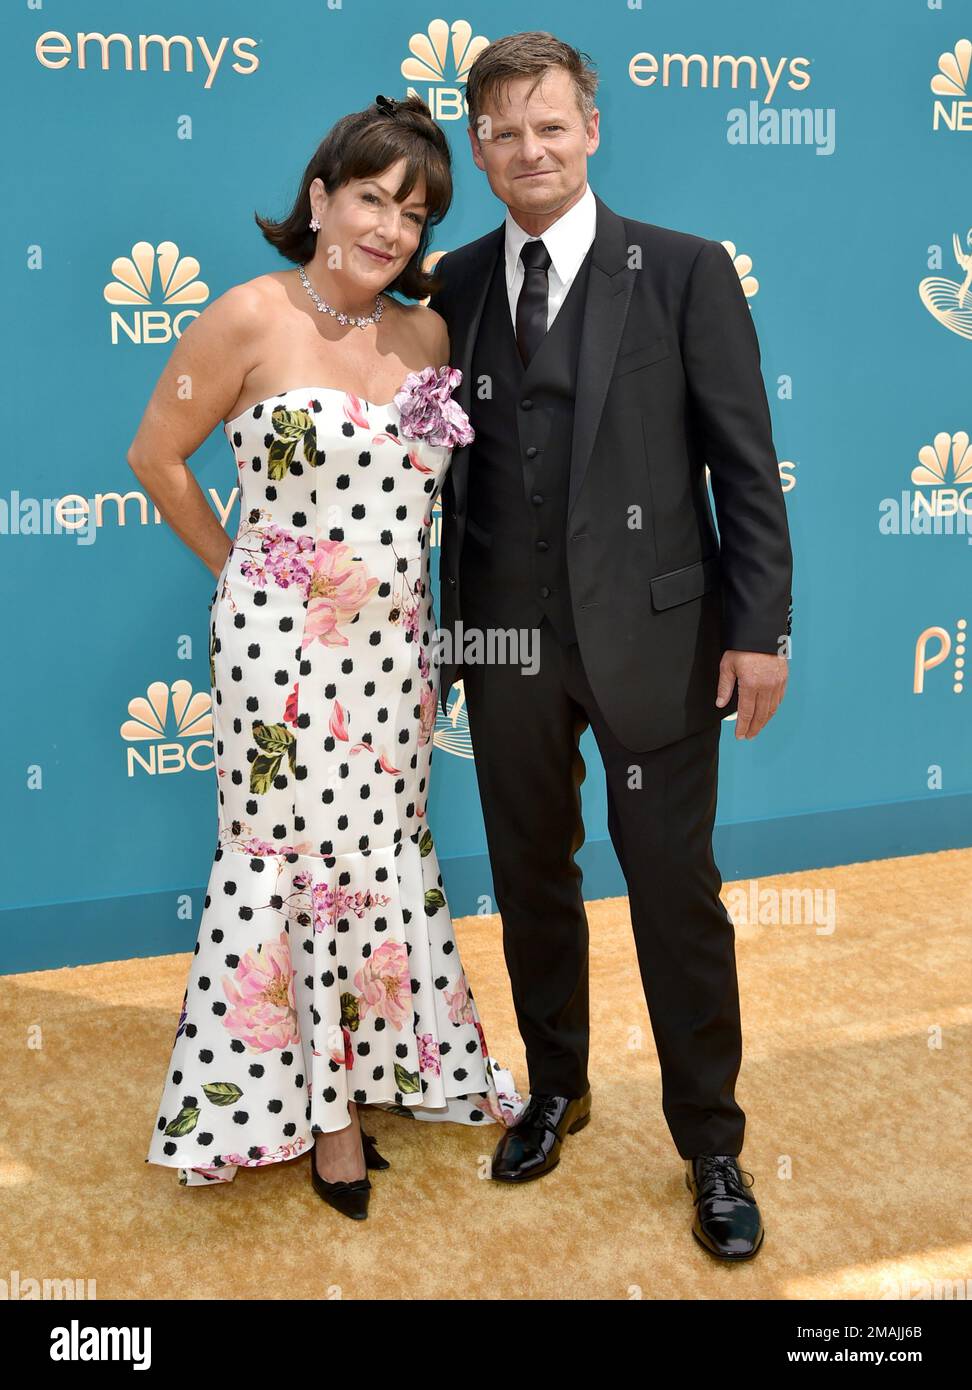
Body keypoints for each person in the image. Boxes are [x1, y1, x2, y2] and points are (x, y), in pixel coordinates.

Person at [427, 32, 794, 1260]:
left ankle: (713, 1144)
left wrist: (760, 627)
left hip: (661, 640)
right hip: (504, 644)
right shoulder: (455, 284)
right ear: (478, 150)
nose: (529, 149)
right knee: (532, 879)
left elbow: (744, 465)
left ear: (591, 130)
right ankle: (557, 1087)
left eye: (551, 125)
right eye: (503, 132)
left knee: (674, 896)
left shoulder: (685, 272)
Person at [130, 94, 522, 1222]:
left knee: (384, 843)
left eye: (414, 210)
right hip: (281, 653)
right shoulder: (247, 316)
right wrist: (244, 570)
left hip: (393, 655)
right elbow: (157, 454)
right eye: (370, 196)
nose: (390, 226)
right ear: (320, 197)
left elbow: (430, 503)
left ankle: (386, 1053)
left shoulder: (427, 336)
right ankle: (324, 1115)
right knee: (288, 852)